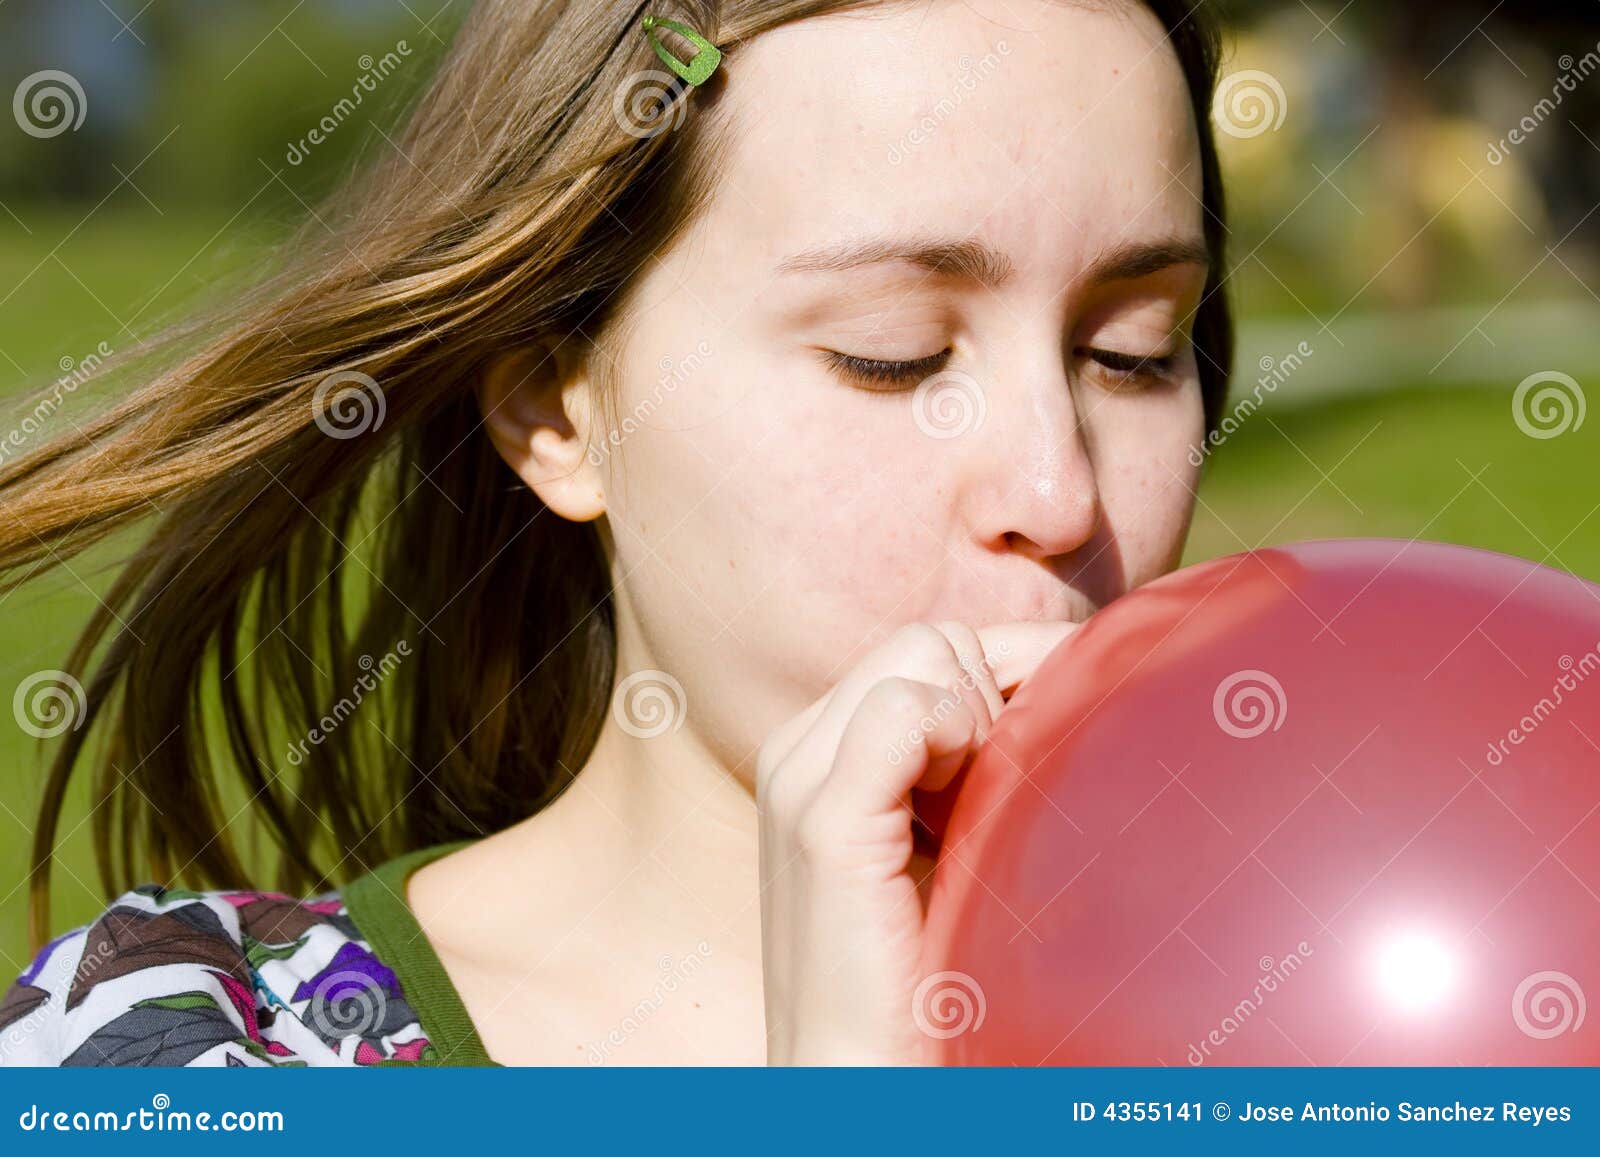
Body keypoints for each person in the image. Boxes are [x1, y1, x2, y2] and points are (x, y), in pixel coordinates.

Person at [0, 0, 1232, 1066]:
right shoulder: (170, 1047)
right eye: (891, 350)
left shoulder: (1340, 981)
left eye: (1132, 352)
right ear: (554, 409)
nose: (1058, 491)